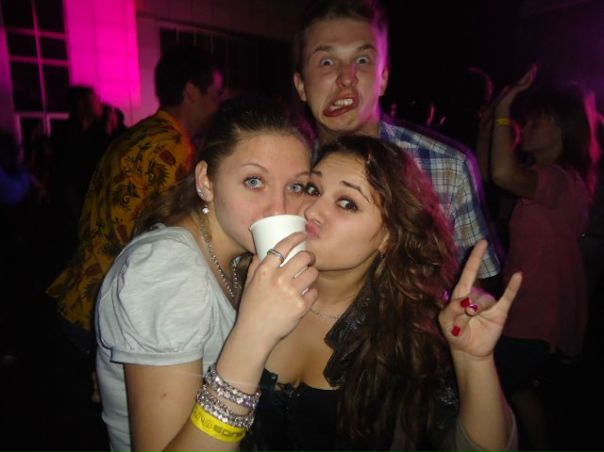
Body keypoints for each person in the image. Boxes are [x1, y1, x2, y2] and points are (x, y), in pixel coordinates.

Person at [240, 135, 520, 451]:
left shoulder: (409, 338)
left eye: (347, 203)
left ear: (389, 236)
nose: (312, 210)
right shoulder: (249, 282)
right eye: (313, 189)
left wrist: (474, 360)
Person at [95, 96, 319, 452]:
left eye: (296, 187)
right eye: (254, 181)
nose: (279, 208)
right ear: (206, 181)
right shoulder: (166, 270)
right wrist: (255, 332)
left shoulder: (238, 256)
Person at [291, 0, 500, 285]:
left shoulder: (447, 167)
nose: (346, 78)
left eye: (362, 60)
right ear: (301, 86)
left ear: (383, 79)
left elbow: (476, 280)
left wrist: (467, 306)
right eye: (327, 62)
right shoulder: (286, 171)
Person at [47, 46, 224, 356]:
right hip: (107, 307)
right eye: (216, 94)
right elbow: (176, 245)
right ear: (192, 92)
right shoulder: (173, 148)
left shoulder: (139, 134)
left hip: (82, 294)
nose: (218, 104)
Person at [477, 66, 600, 450]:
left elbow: (501, 174)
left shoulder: (560, 179)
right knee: (517, 388)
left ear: (561, 129)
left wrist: (505, 108)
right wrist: (492, 119)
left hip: (537, 312)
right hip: (531, 307)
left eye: (536, 123)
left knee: (487, 388)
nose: (525, 129)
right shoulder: (546, 176)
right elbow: (488, 172)